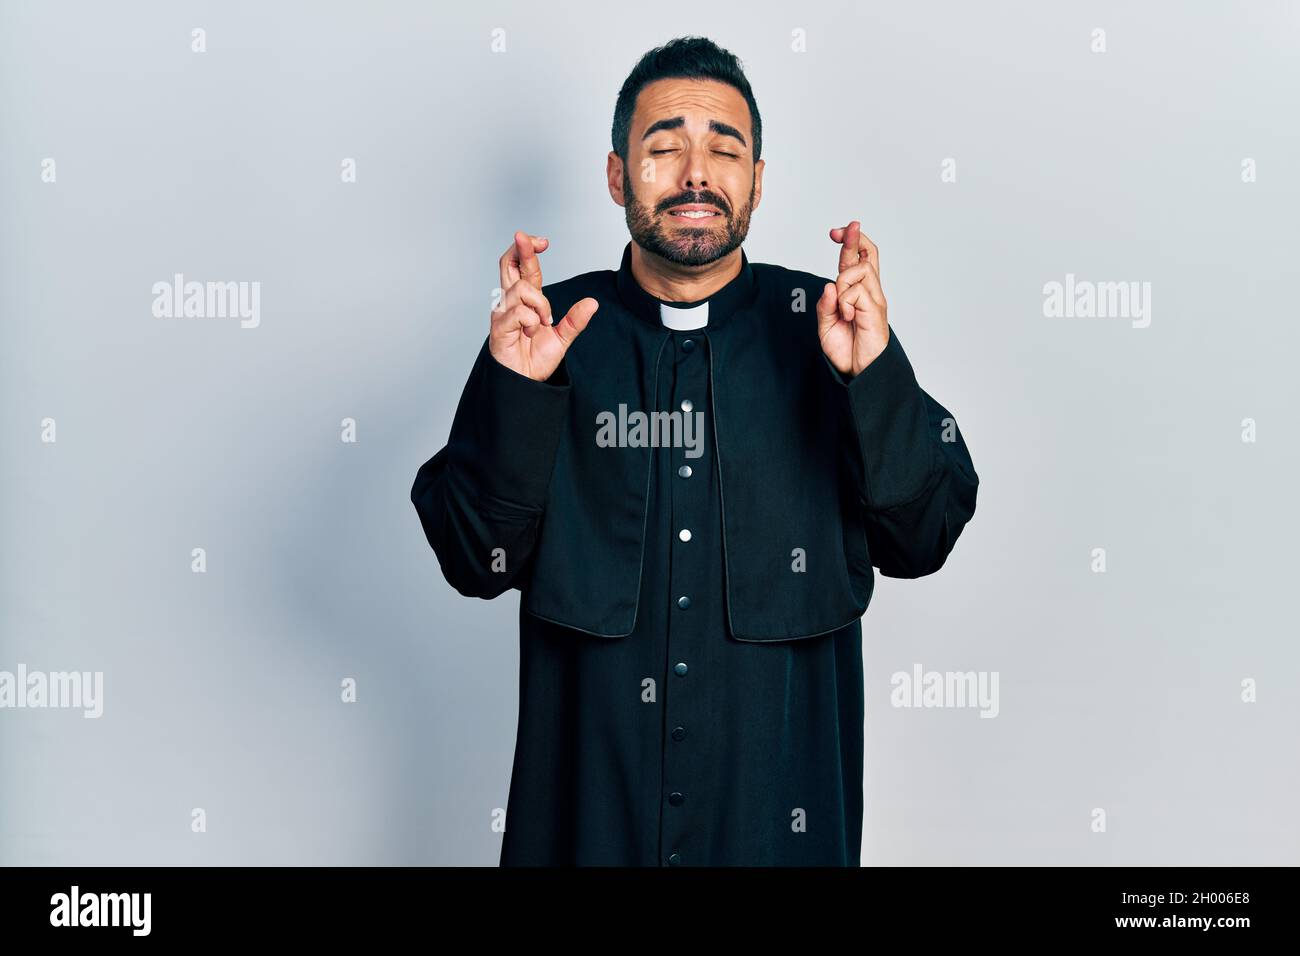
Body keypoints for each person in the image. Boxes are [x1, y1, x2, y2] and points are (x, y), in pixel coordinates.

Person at [411, 35, 979, 866]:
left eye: (724, 149)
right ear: (616, 177)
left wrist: (875, 377)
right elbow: (474, 561)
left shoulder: (828, 329)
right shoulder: (545, 334)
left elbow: (922, 537)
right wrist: (516, 398)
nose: (695, 175)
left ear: (756, 178)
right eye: (664, 147)